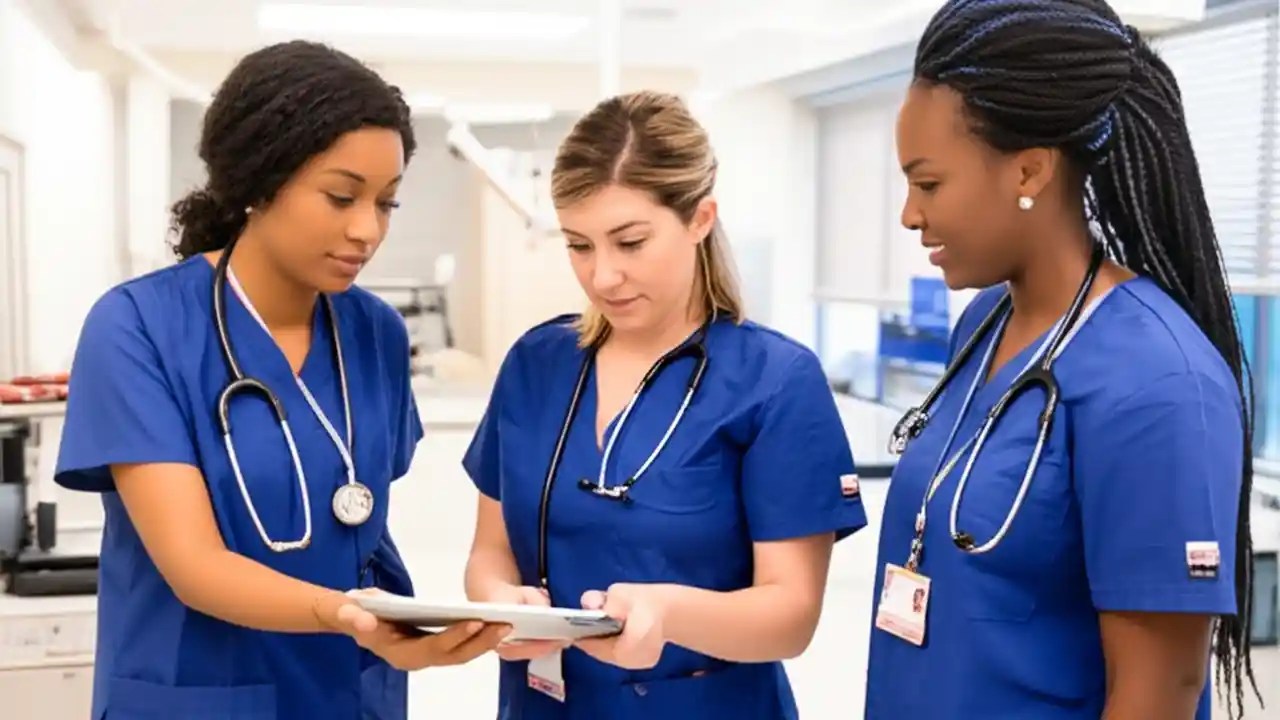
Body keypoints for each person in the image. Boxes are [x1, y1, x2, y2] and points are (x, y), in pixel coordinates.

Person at [54, 41, 507, 720]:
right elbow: (193, 565)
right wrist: (347, 615)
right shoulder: (137, 327)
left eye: (387, 203)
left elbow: (353, 521)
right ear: (260, 182)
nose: (367, 230)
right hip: (196, 691)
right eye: (340, 196)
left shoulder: (375, 331)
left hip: (346, 690)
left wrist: (409, 623)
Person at [865, 1, 1260, 719]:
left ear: (1030, 170)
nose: (910, 215)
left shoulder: (1158, 382)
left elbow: (1159, 694)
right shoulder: (985, 325)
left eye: (929, 184)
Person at [460, 90, 867, 719]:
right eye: (579, 244)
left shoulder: (774, 381)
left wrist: (669, 614)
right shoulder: (536, 365)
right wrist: (501, 604)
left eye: (630, 242)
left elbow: (790, 615)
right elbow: (491, 551)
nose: (602, 277)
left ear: (700, 219)